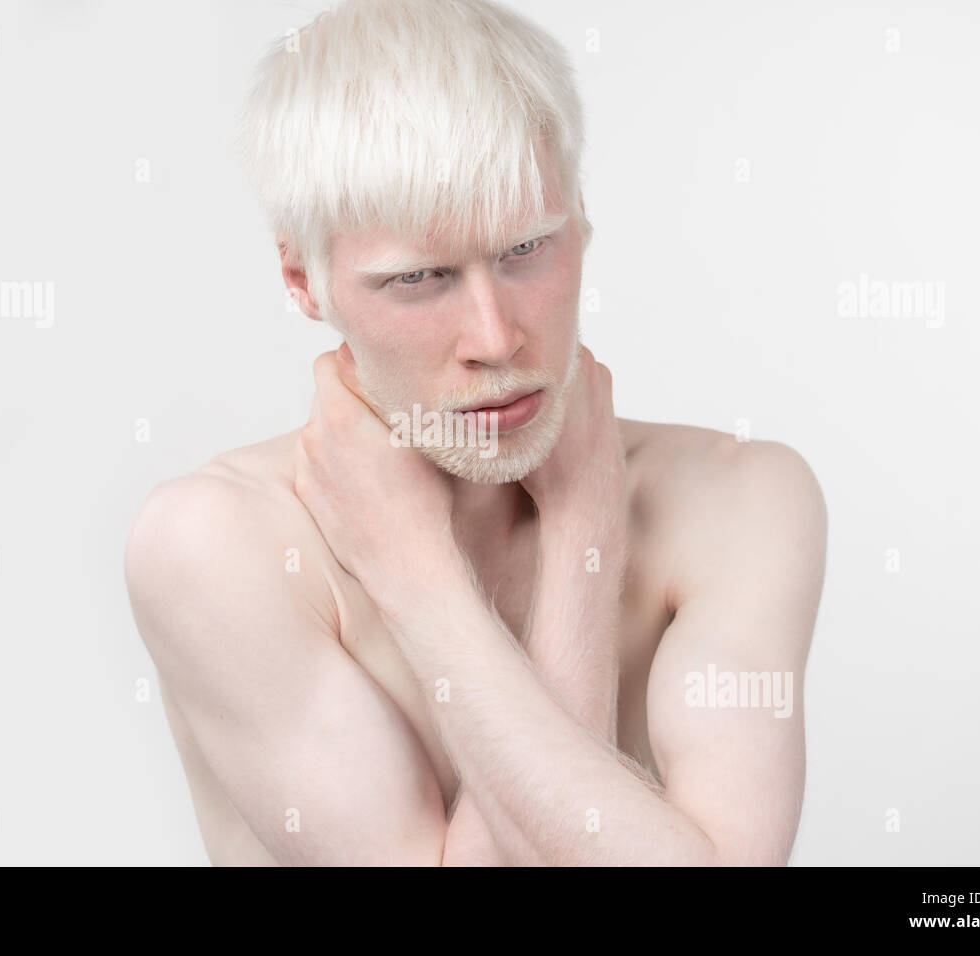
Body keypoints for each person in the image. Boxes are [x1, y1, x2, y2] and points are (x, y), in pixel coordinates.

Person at [124, 0, 826, 866]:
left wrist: (584, 528)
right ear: (305, 280)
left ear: (581, 218)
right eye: (418, 278)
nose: (496, 340)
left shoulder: (745, 497)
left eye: (527, 249)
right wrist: (422, 567)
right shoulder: (213, 542)